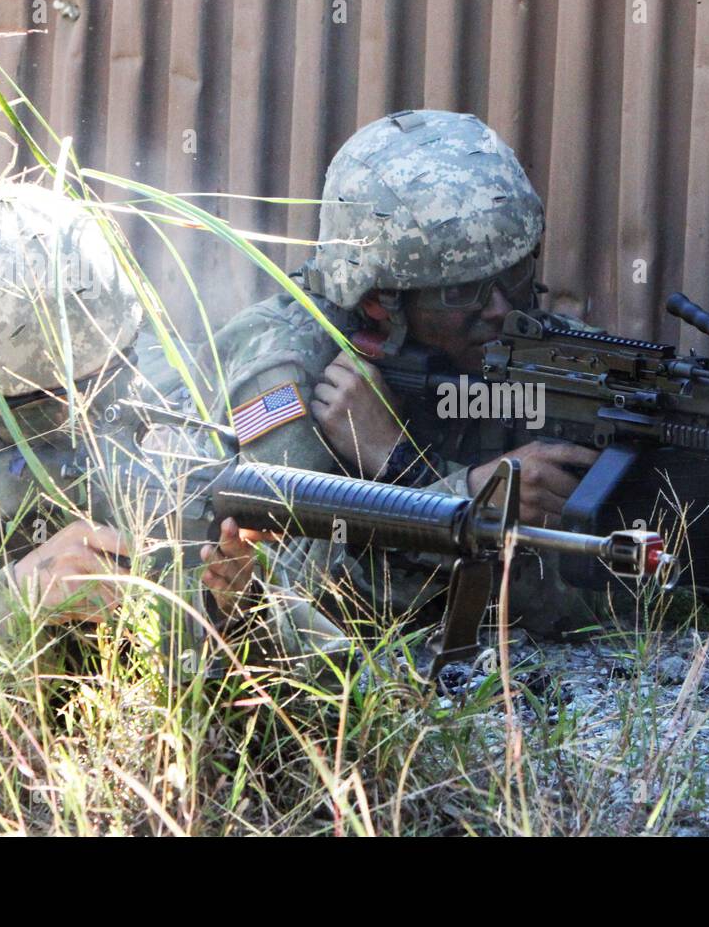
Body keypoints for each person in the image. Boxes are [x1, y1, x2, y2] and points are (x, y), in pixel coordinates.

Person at [142, 110, 610, 641]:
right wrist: (418, 474)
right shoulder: (289, 364)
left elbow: (596, 602)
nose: (500, 308)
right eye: (459, 291)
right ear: (378, 300)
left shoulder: (542, 354)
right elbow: (298, 601)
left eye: (515, 272)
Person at [0, 182, 295, 658]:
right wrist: (7, 604)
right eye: (56, 405)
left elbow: (331, 694)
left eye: (112, 381)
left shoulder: (170, 435)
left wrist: (241, 610)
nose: (93, 419)